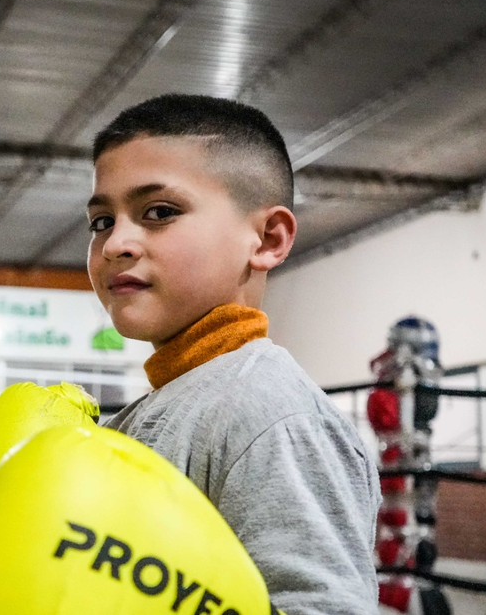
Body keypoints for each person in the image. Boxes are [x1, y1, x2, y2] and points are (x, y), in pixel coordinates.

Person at [89, 94, 379, 615]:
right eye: (101, 221)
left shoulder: (270, 417)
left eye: (159, 212)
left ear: (268, 239)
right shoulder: (155, 411)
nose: (115, 243)